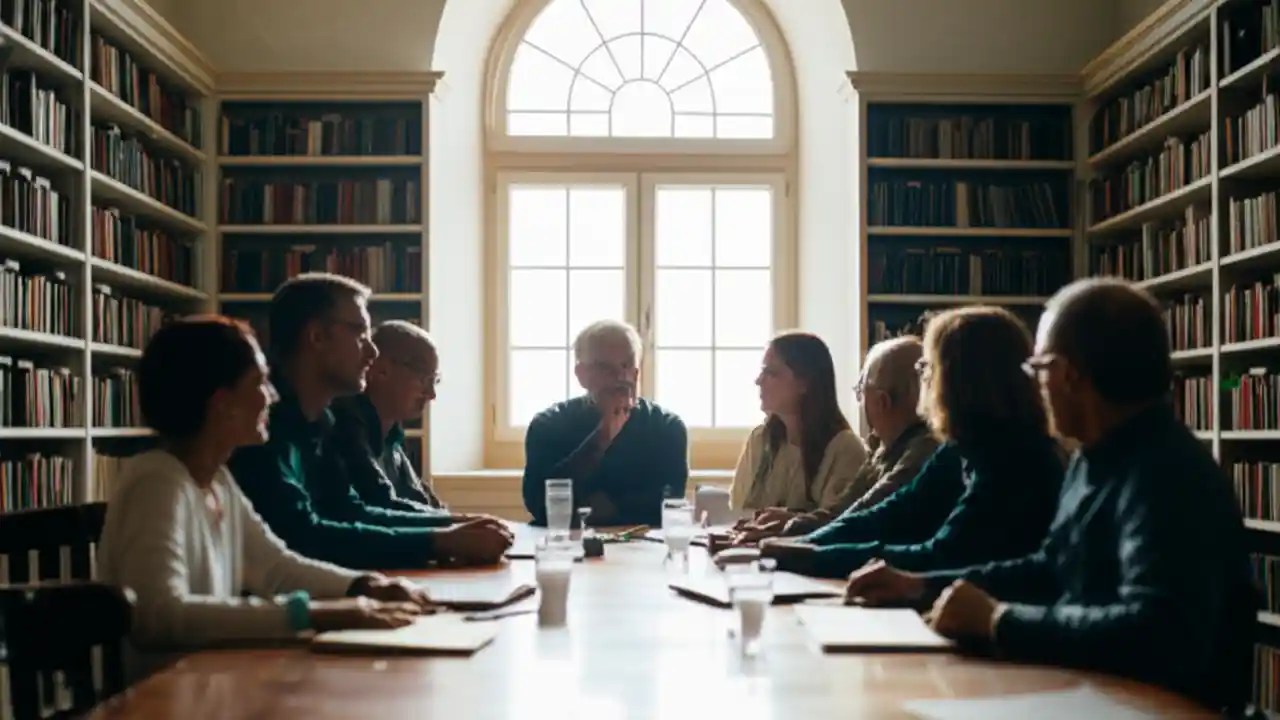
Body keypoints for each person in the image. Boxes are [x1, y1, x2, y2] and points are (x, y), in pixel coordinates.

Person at [842, 279, 1256, 713]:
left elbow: (1156, 632)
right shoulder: (1094, 458)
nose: (1035, 387)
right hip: (1099, 696)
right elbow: (1052, 567)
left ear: (1068, 375)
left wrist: (1000, 620)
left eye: (1038, 371)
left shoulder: (1167, 475)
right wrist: (922, 585)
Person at [98, 317, 433, 677]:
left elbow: (275, 567)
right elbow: (157, 617)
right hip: (161, 703)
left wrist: (364, 585)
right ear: (222, 403)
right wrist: (313, 614)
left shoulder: (218, 481)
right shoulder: (157, 482)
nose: (271, 396)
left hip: (209, 687)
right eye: (259, 383)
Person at [755, 306, 1064, 580]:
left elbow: (940, 554)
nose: (922, 382)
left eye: (926, 368)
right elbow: (891, 513)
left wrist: (810, 555)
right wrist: (801, 545)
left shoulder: (1012, 461)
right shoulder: (960, 448)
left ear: (960, 380)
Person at [229, 273, 512, 569]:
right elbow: (304, 537)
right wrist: (442, 540)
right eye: (361, 335)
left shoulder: (320, 421)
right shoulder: (259, 424)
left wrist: (453, 527)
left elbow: (350, 511)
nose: (373, 352)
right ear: (317, 337)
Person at [730, 336, 937, 542]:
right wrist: (791, 523)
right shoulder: (885, 451)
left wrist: (782, 540)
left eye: (861, 394)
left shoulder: (921, 452)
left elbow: (857, 523)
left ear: (882, 402)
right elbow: (842, 513)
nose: (861, 406)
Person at [522, 319, 688, 527]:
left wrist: (613, 509)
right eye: (604, 368)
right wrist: (601, 440)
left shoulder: (667, 428)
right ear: (581, 375)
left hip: (644, 551)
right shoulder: (548, 426)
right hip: (566, 549)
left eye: (627, 366)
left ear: (636, 373)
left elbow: (669, 503)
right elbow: (539, 502)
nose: (620, 377)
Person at [727, 332, 867, 516]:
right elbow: (737, 510)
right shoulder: (760, 440)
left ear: (804, 383)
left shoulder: (845, 449)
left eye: (771, 373)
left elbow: (837, 524)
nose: (759, 381)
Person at [331, 320, 446, 513]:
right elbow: (380, 503)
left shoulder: (391, 435)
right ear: (380, 369)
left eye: (435, 380)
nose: (432, 393)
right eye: (424, 379)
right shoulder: (344, 425)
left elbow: (424, 503)